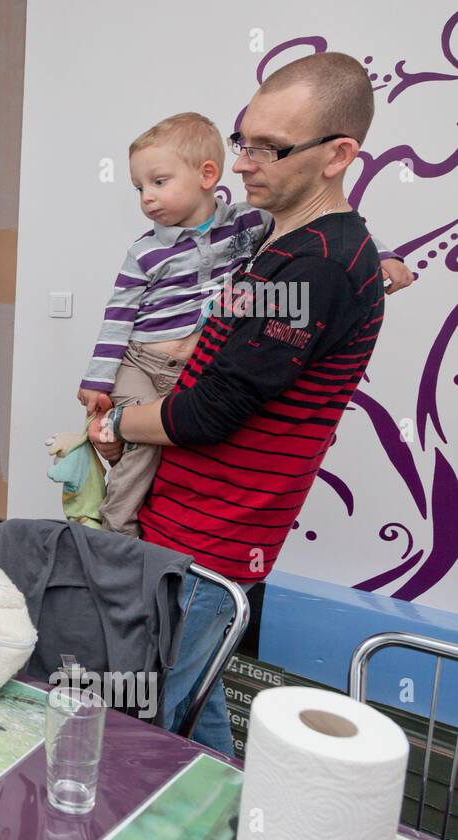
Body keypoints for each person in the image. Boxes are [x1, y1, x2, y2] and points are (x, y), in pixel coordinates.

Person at [88, 53, 402, 755]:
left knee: (160, 715)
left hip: (215, 534)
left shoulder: (314, 262)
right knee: (192, 703)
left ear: (337, 156)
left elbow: (207, 414)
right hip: (193, 520)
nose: (242, 164)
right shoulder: (281, 242)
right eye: (243, 140)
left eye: (270, 148)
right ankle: (228, 819)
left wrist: (113, 424)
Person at [76, 111, 410, 536]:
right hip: (141, 363)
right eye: (139, 187)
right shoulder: (143, 253)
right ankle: (115, 530)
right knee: (141, 448)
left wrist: (381, 252)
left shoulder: (248, 222)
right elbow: (118, 316)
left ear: (207, 174)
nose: (147, 197)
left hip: (189, 372)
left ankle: (134, 527)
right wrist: (97, 380)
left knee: (167, 443)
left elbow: (330, 226)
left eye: (159, 182)